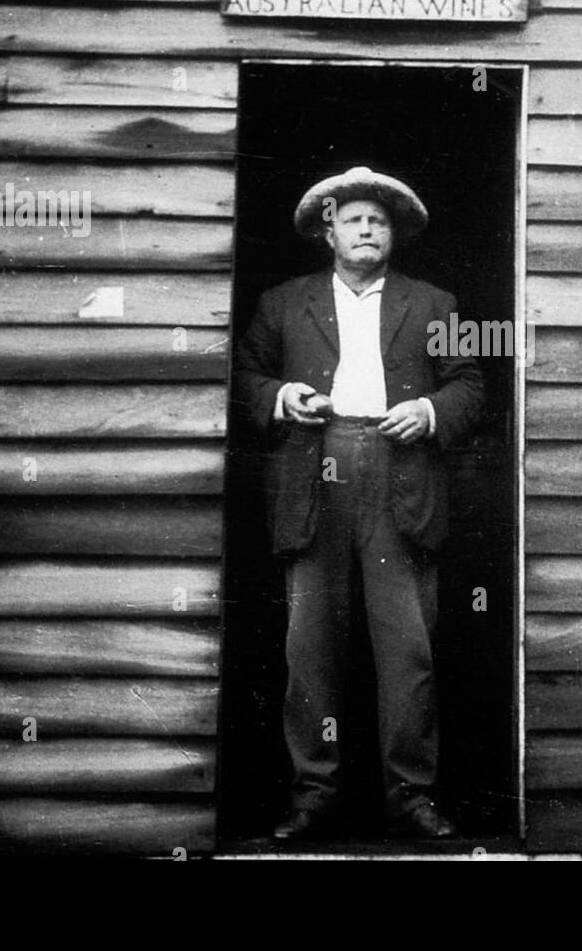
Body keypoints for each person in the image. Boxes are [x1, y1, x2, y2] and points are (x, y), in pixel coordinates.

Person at [236, 166, 485, 843]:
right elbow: (244, 377)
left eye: (379, 221)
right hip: (313, 472)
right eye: (355, 219)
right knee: (308, 650)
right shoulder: (285, 303)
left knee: (409, 652)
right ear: (330, 231)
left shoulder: (434, 304)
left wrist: (431, 410)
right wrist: (282, 397)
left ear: (393, 234)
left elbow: (471, 385)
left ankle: (412, 797)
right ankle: (313, 795)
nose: (368, 229)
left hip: (402, 476)